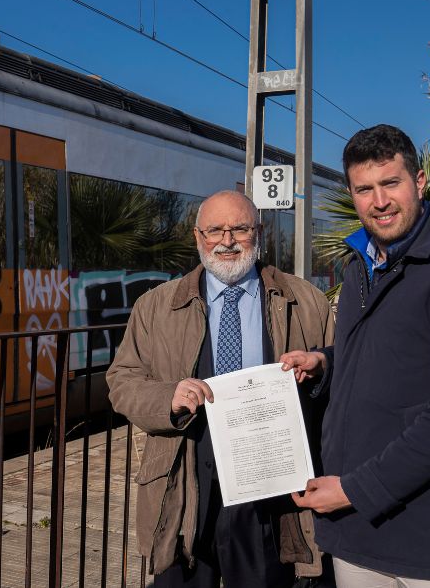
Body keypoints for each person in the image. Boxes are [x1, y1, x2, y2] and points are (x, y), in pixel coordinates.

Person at [281, 125, 430, 587]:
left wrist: (352, 490)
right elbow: (386, 354)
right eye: (364, 189)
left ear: (420, 182)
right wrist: (326, 363)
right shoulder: (358, 267)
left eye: (391, 183)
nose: (379, 201)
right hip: (360, 529)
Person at [107, 189, 334, 587]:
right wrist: (167, 398)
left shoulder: (305, 301)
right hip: (184, 488)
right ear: (198, 237)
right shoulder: (156, 307)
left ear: (258, 232)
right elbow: (122, 381)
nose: (227, 241)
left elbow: (339, 379)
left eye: (240, 228)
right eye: (215, 230)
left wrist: (318, 372)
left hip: (271, 493)